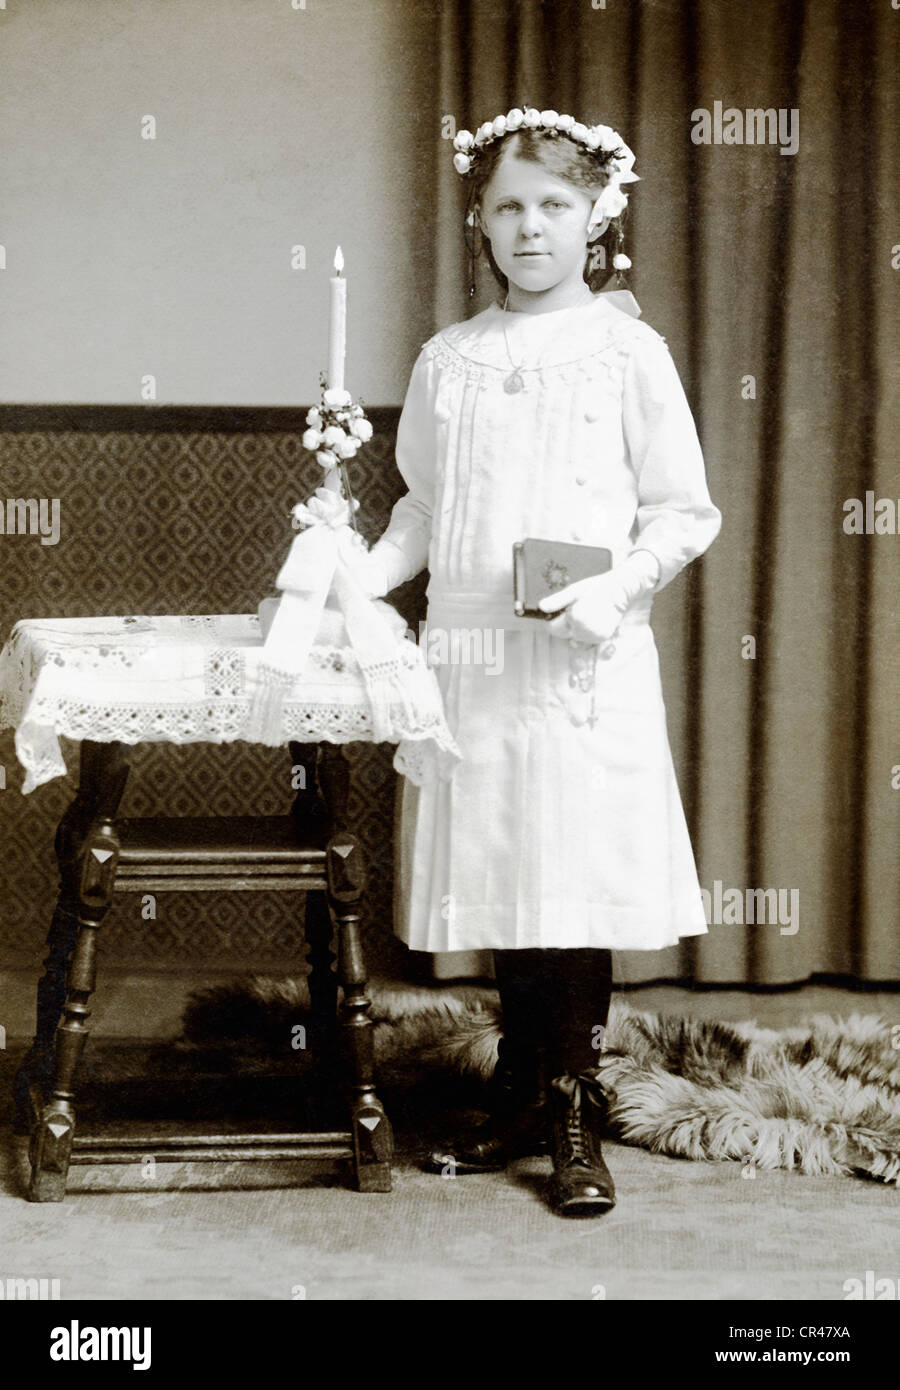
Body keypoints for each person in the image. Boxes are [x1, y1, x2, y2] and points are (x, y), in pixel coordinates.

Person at [358, 106, 722, 1216]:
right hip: (474, 655)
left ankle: (572, 1107)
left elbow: (684, 510)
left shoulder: (626, 351)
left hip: (580, 661)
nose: (530, 228)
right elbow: (424, 501)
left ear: (595, 215)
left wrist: (611, 588)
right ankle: (518, 1085)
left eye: (554, 206)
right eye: (509, 206)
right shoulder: (449, 359)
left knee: (572, 875)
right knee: (511, 867)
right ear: (478, 216)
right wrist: (360, 573)